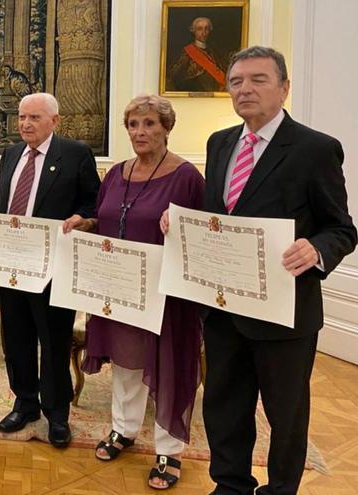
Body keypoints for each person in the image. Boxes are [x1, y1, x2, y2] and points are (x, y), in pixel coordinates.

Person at [161, 46, 356, 494]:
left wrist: (317, 249)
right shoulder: (220, 142)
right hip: (224, 307)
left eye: (258, 80)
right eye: (235, 81)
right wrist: (180, 222)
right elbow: (217, 215)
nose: (244, 89)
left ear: (284, 88)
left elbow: (341, 229)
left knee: (286, 415)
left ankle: (280, 489)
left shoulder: (316, 149)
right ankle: (229, 484)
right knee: (225, 405)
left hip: (283, 313)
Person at [63, 94, 204, 490]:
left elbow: (204, 233)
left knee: (168, 364)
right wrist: (86, 224)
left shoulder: (187, 176)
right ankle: (122, 429)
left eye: (149, 124)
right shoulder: (116, 172)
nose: (140, 132)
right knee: (125, 361)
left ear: (166, 128)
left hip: (165, 294)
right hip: (118, 285)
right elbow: (103, 216)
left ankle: (168, 448)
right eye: (133, 125)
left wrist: (179, 225)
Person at [0, 93, 100, 448]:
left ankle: (57, 414)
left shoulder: (75, 154)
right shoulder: (9, 155)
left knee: (53, 341)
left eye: (34, 118)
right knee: (17, 337)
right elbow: (1, 203)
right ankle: (24, 403)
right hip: (12, 264)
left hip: (54, 266)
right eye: (22, 117)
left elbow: (91, 203)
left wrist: (81, 218)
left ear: (54, 121)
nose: (25, 124)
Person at [167, 17, 226, 92]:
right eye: (200, 29)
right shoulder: (187, 52)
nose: (204, 33)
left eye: (206, 29)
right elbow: (174, 75)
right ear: (193, 31)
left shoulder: (213, 51)